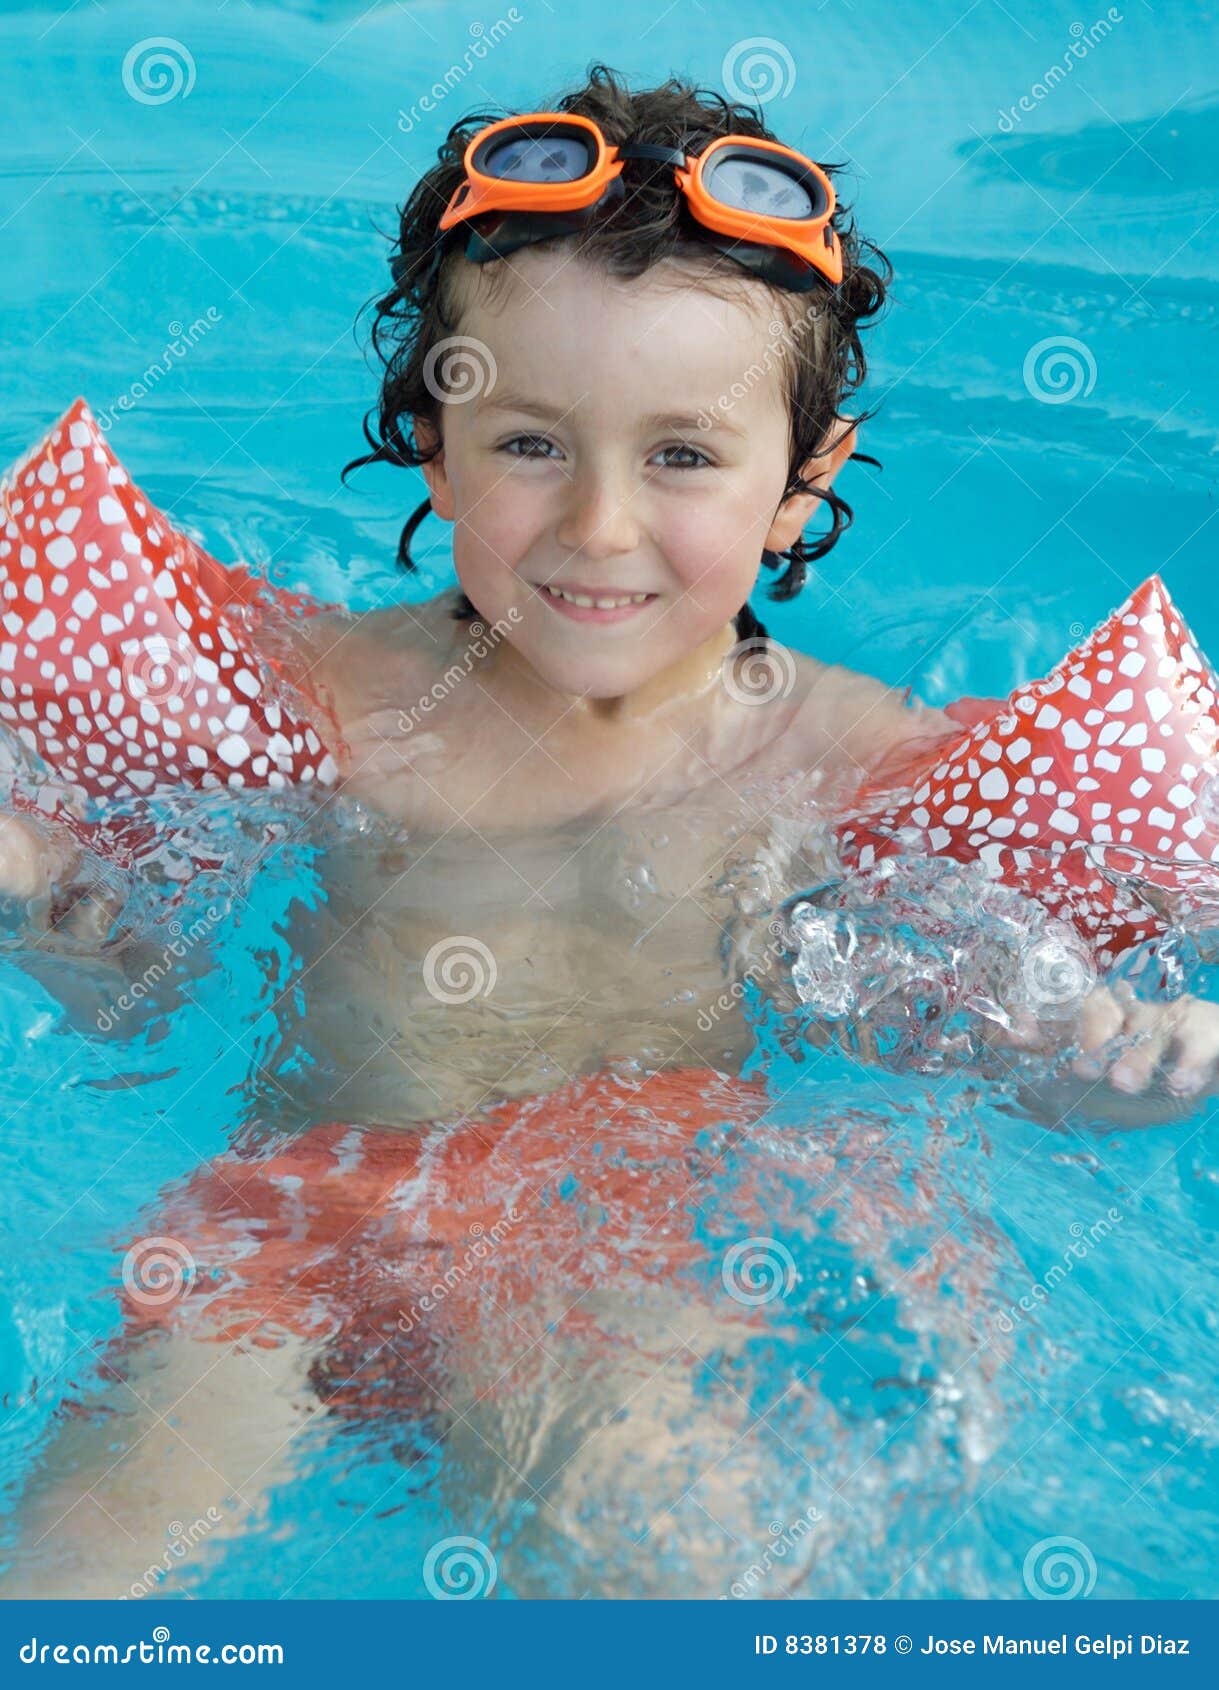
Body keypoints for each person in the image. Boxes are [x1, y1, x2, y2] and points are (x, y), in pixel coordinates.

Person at [1, 64, 1215, 1599]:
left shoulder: (840, 758)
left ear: (804, 482)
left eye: (684, 456)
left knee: (653, 1572)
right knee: (65, 1579)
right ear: (429, 444)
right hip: (289, 1220)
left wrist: (1093, 1063)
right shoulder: (312, 691)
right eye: (529, 444)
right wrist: (50, 904)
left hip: (614, 1242)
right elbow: (142, 979)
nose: (598, 525)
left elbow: (961, 1004)